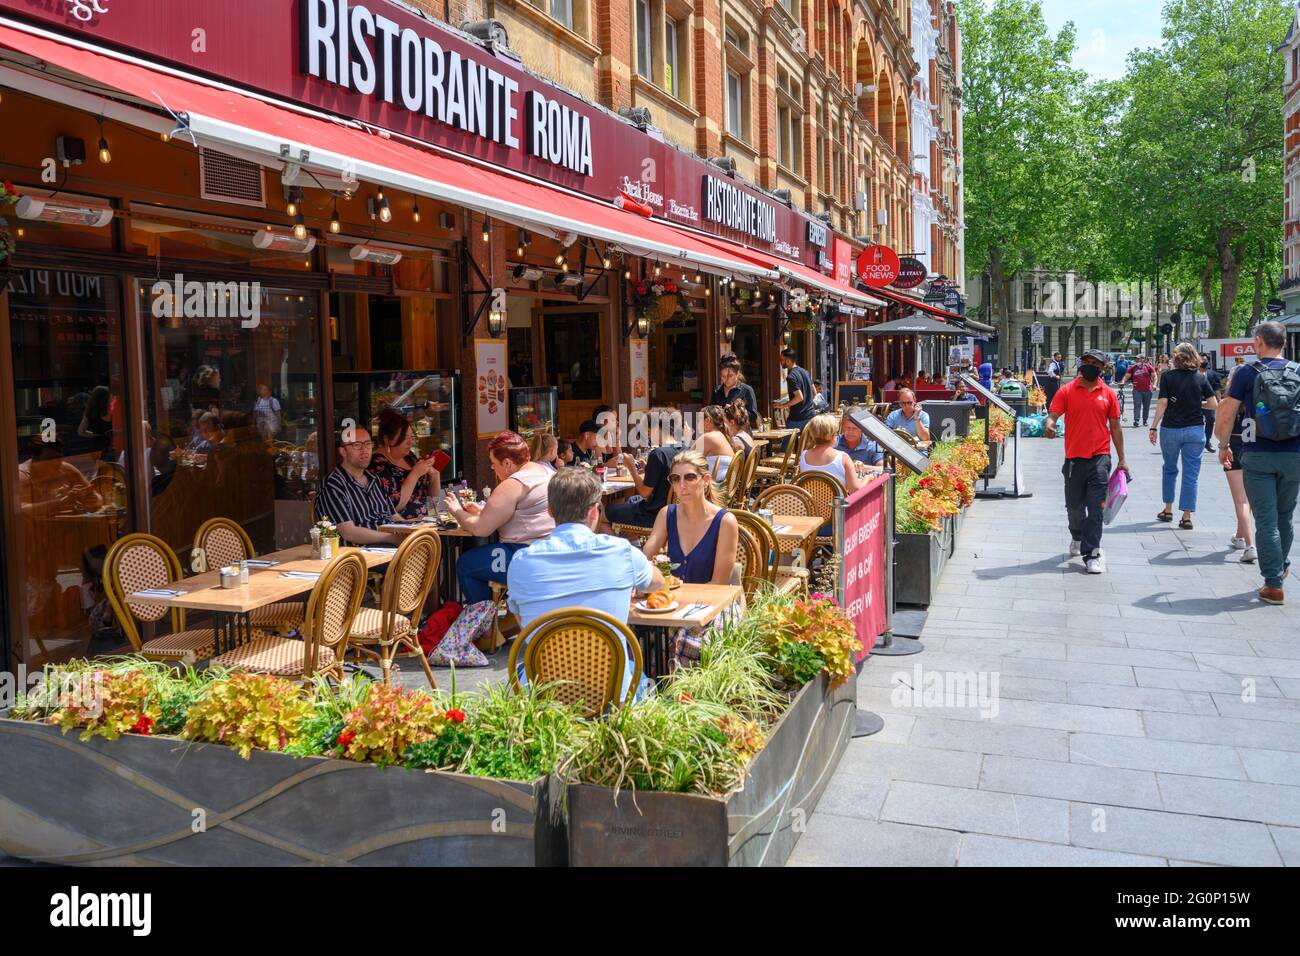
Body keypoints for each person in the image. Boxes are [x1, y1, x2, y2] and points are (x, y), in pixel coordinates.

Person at [507, 467, 662, 701]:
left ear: (550, 511)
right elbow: (657, 583)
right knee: (642, 673)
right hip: (612, 697)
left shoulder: (520, 562)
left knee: (521, 673)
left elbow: (522, 622)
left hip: (547, 700)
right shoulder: (621, 552)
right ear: (594, 512)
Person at [1215, 321, 1300, 605]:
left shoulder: (1246, 372)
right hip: (1294, 454)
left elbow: (1227, 413)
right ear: (1284, 344)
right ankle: (1282, 563)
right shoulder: (1298, 371)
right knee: (1285, 515)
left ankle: (1273, 583)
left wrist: (1223, 446)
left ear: (1259, 342)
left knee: (1265, 520)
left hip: (1258, 452)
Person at [444, 430, 555, 605]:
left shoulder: (513, 484)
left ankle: (487, 624)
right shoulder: (547, 472)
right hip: (552, 551)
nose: (492, 467)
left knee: (466, 564)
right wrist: (484, 511)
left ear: (507, 463)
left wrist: (457, 511)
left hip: (524, 554)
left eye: (494, 463)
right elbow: (524, 512)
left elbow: (481, 529)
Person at [1045, 348, 1130, 573]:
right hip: (1074, 458)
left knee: (1095, 508)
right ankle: (1077, 536)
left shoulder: (1109, 394)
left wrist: (1122, 458)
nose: (1090, 365)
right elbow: (1053, 414)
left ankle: (1092, 553)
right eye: (1086, 361)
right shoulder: (1067, 391)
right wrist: (1050, 424)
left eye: (1095, 363)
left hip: (1100, 458)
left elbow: (1115, 427)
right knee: (1074, 507)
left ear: (1103, 368)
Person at [641, 451, 739, 586]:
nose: (682, 485)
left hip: (710, 603)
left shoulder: (725, 522)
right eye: (675, 478)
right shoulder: (667, 515)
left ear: (706, 480)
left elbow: (718, 584)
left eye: (690, 477)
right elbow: (644, 561)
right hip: (671, 602)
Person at [1150, 343, 1217, 529]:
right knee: (1191, 474)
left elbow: (1163, 403)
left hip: (1170, 429)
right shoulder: (1201, 377)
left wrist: (1153, 427)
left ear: (1176, 357)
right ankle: (1186, 517)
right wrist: (1197, 404)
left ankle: (1168, 509)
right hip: (1195, 430)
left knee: (1170, 468)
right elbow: (1213, 404)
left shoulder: (1168, 377)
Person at [315, 427, 403, 545]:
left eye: (368, 444)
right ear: (343, 451)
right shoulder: (333, 484)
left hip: (390, 547)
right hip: (360, 555)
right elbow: (349, 533)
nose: (364, 450)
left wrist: (413, 530)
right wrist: (391, 538)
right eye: (357, 445)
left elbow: (394, 516)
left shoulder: (375, 480)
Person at [606, 421, 684, 529]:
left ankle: (627, 544)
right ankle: (633, 541)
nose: (648, 435)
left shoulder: (658, 454)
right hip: (676, 512)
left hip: (653, 514)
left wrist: (631, 467)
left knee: (602, 512)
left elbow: (644, 493)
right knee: (618, 502)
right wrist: (648, 469)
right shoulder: (685, 449)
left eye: (648, 431)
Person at [367, 407, 442, 519]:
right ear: (387, 440)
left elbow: (432, 503)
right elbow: (394, 506)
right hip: (402, 528)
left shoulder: (409, 457)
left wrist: (435, 476)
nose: (410, 442)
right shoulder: (378, 464)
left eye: (411, 437)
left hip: (426, 523)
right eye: (404, 438)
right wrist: (415, 474)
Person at [1220, 360, 1257, 564]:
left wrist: (1222, 447)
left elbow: (1221, 428)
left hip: (1233, 448)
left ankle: (1250, 544)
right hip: (1255, 449)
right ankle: (1240, 535)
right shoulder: (1255, 400)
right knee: (1247, 497)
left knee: (1240, 500)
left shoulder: (1228, 402)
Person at [799, 413, 865, 494]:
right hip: (836, 505)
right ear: (833, 435)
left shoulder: (804, 455)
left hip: (810, 505)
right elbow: (855, 490)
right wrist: (868, 479)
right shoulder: (843, 457)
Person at [710, 351, 758, 427]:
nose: (726, 379)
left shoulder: (746, 390)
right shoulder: (717, 390)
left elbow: (753, 416)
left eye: (730, 376)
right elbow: (710, 413)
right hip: (722, 434)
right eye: (723, 376)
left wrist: (735, 411)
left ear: (737, 373)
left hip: (740, 434)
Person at [773, 348, 816, 431]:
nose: (780, 362)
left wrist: (783, 406)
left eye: (782, 360)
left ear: (788, 360)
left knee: (787, 443)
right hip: (811, 416)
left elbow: (799, 397)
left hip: (797, 418)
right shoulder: (805, 372)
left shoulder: (791, 377)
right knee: (806, 443)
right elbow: (814, 392)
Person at [692, 405, 734, 478]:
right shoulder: (721, 435)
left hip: (714, 486)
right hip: (724, 484)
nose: (697, 424)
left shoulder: (708, 437)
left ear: (707, 421)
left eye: (698, 420)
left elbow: (688, 460)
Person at [77, 385, 114, 460]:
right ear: (106, 398)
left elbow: (81, 432)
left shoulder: (89, 412)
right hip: (108, 446)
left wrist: (95, 435)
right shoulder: (109, 412)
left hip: (95, 447)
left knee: (100, 469)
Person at [1124, 354, 1156, 428]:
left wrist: (1154, 385)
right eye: (1136, 359)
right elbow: (1126, 376)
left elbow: (1155, 377)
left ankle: (1145, 420)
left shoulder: (1149, 367)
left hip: (1147, 390)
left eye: (1139, 359)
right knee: (1137, 405)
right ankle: (1136, 420)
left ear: (1143, 359)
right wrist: (1123, 382)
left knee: (1146, 406)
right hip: (1137, 390)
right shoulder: (1132, 368)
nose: (1137, 360)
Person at [1200, 355, 1224, 452]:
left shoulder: (1213, 374)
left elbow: (1217, 389)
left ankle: (1207, 441)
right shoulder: (1192, 374)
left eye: (1204, 360)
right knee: (1196, 421)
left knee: (1211, 420)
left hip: (1209, 402)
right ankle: (1198, 440)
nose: (1202, 361)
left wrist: (1219, 401)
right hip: (1195, 401)